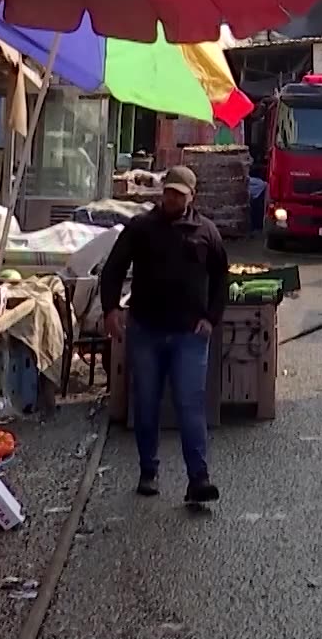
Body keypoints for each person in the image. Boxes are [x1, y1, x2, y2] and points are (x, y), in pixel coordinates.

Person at [99, 166, 229, 502]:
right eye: (168, 192)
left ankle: (198, 479)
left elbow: (221, 281)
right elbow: (113, 268)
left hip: (189, 335)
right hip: (146, 330)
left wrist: (211, 319)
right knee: (146, 404)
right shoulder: (141, 227)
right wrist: (111, 309)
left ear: (191, 197)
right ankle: (148, 471)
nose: (171, 199)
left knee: (190, 405)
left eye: (178, 194)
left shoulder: (207, 232)